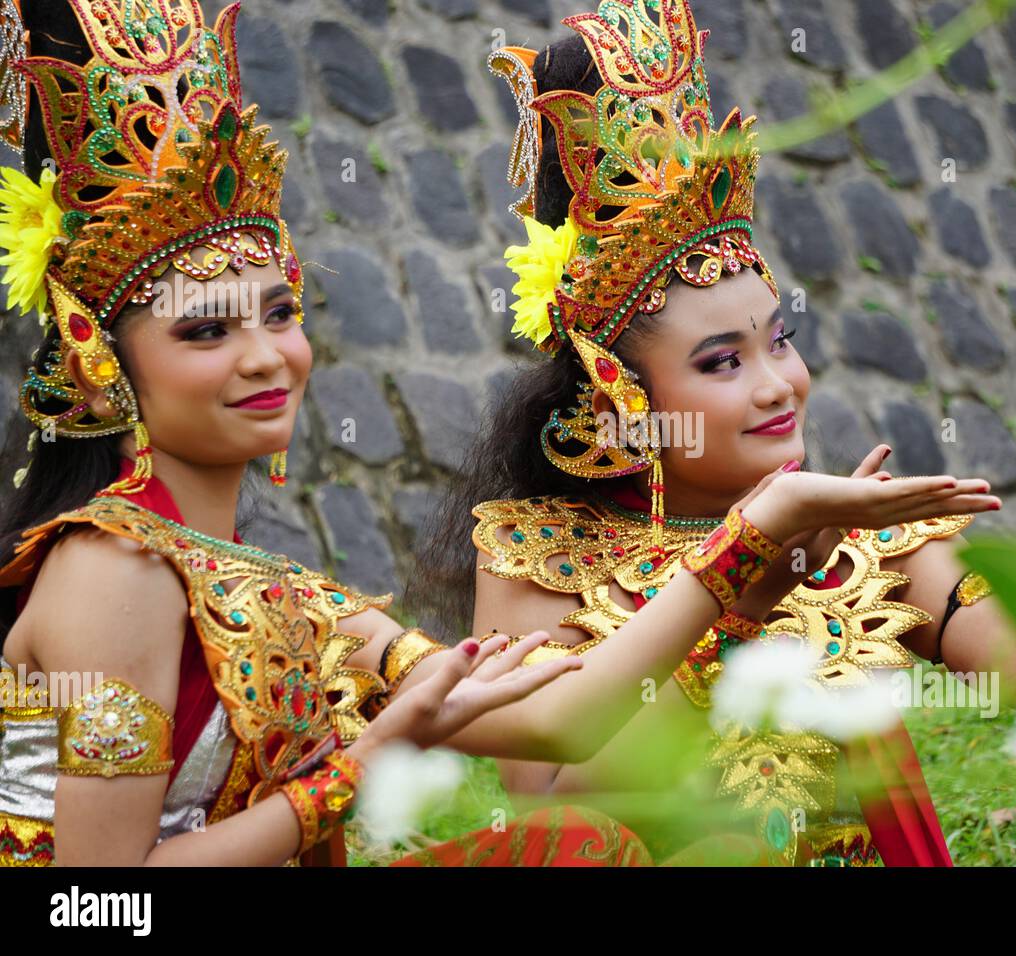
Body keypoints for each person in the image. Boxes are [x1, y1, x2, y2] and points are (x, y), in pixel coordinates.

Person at [411, 0, 1016, 866]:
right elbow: (563, 827)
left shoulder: (869, 546)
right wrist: (742, 596)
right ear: (619, 395)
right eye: (721, 363)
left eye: (778, 340)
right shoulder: (539, 556)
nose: (778, 382)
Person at [0, 0, 638, 868]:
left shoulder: (252, 576)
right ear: (99, 357)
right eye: (206, 331)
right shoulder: (117, 572)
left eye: (280, 313)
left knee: (582, 844)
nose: (268, 357)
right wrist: (365, 763)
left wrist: (748, 550)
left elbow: (552, 721)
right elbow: (102, 904)